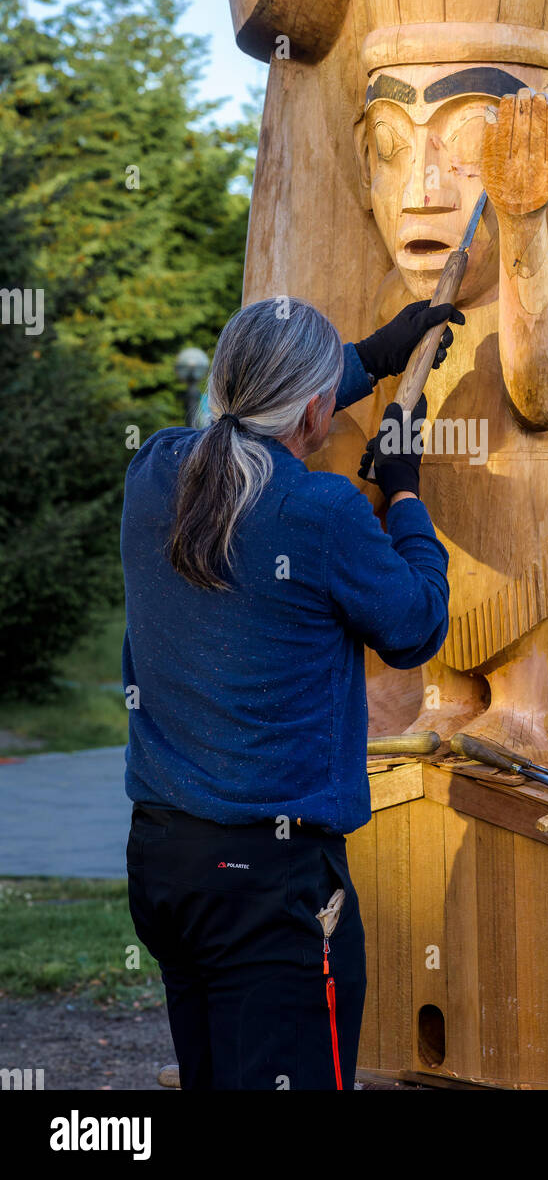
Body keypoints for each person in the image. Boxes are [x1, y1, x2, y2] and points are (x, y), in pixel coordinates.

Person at [121, 294, 463, 1090]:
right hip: (271, 885)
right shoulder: (320, 510)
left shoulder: (154, 473)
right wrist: (405, 495)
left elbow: (256, 418)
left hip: (167, 862)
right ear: (316, 411)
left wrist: (372, 356)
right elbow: (415, 624)